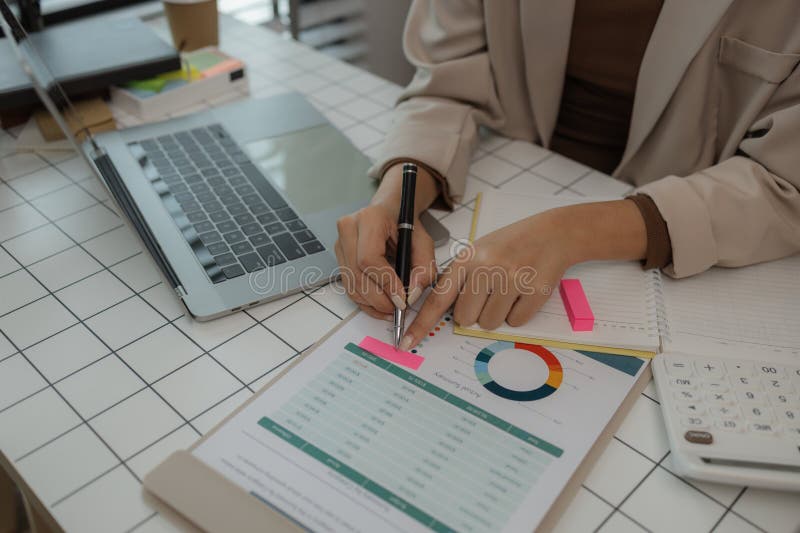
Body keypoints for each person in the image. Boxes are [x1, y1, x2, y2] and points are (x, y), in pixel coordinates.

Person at [335, 0, 800, 352]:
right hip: (511, 174)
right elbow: (445, 83)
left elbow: (785, 184)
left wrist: (574, 231)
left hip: (699, 247)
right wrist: (397, 194)